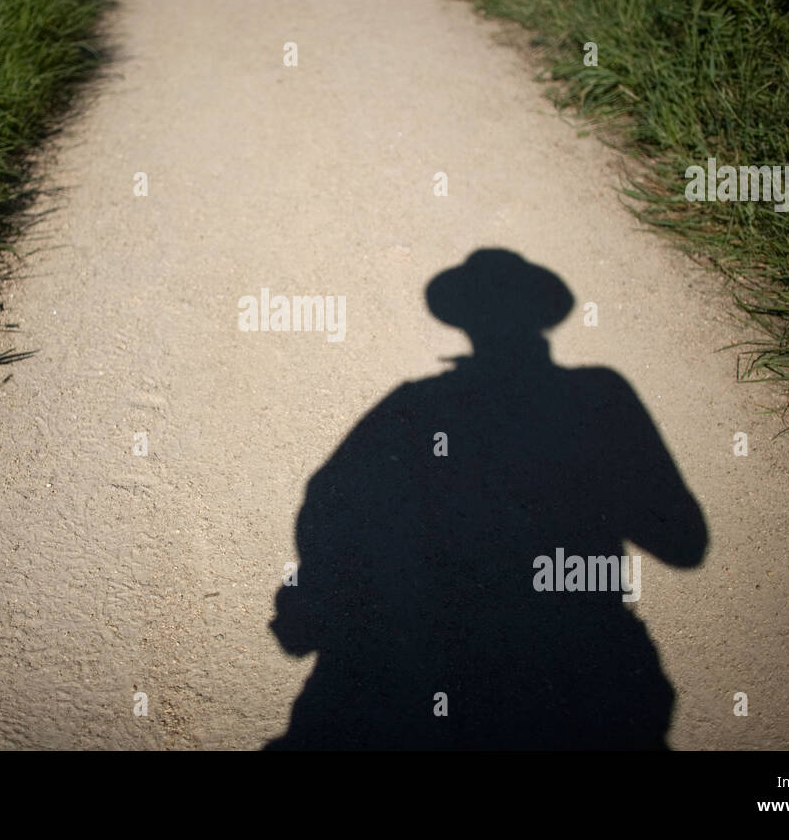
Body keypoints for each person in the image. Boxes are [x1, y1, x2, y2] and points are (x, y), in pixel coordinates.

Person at [268, 249, 708, 749]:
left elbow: (328, 500)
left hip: (442, 675)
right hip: (590, 679)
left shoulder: (418, 405)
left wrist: (332, 595)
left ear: (466, 323)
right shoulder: (601, 396)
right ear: (542, 319)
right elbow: (685, 544)